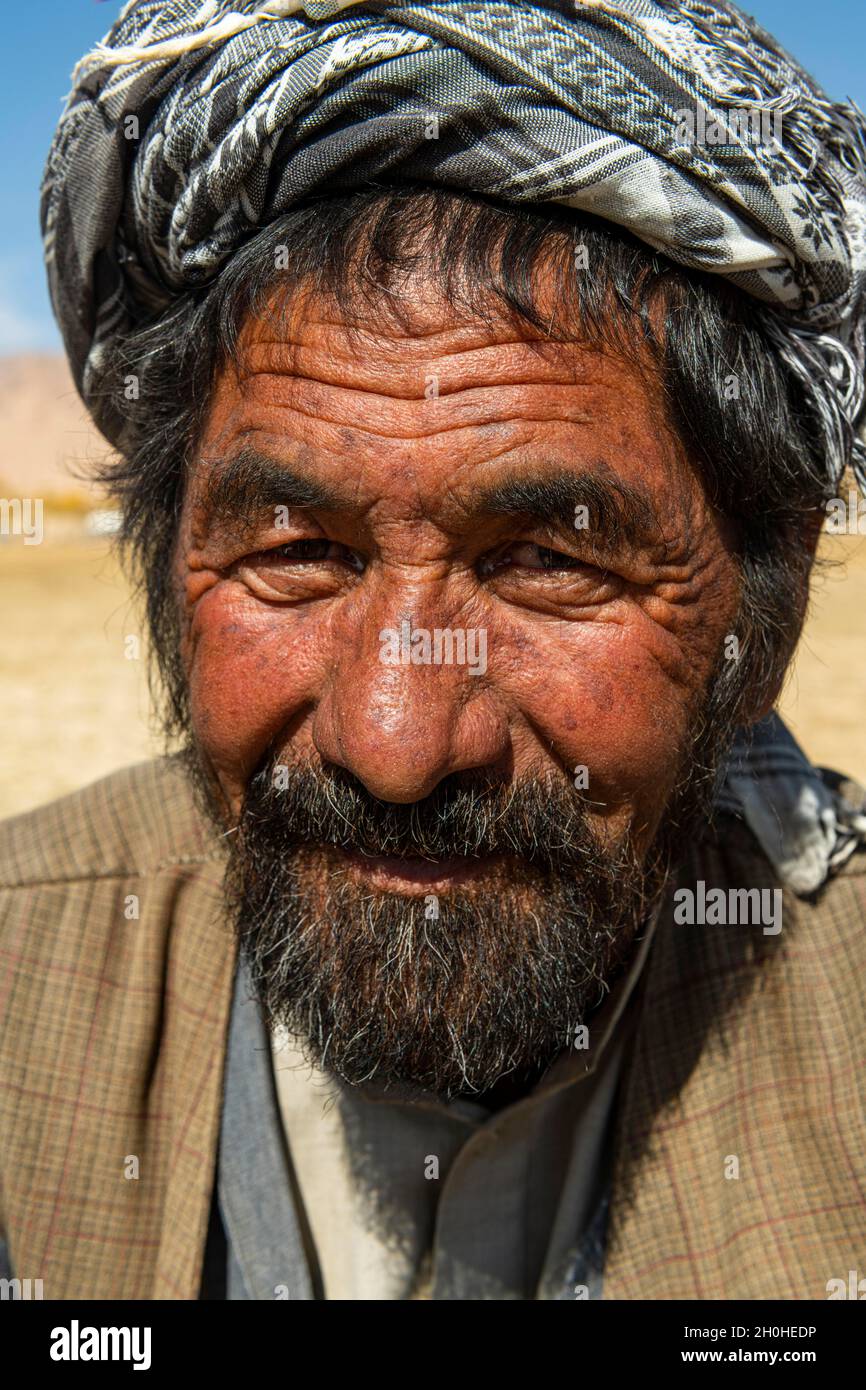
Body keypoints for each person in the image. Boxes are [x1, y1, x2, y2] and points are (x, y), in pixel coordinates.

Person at [1, 0, 865, 1300]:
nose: (396, 744)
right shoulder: (25, 977)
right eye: (297, 551)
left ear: (765, 598)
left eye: (548, 560)